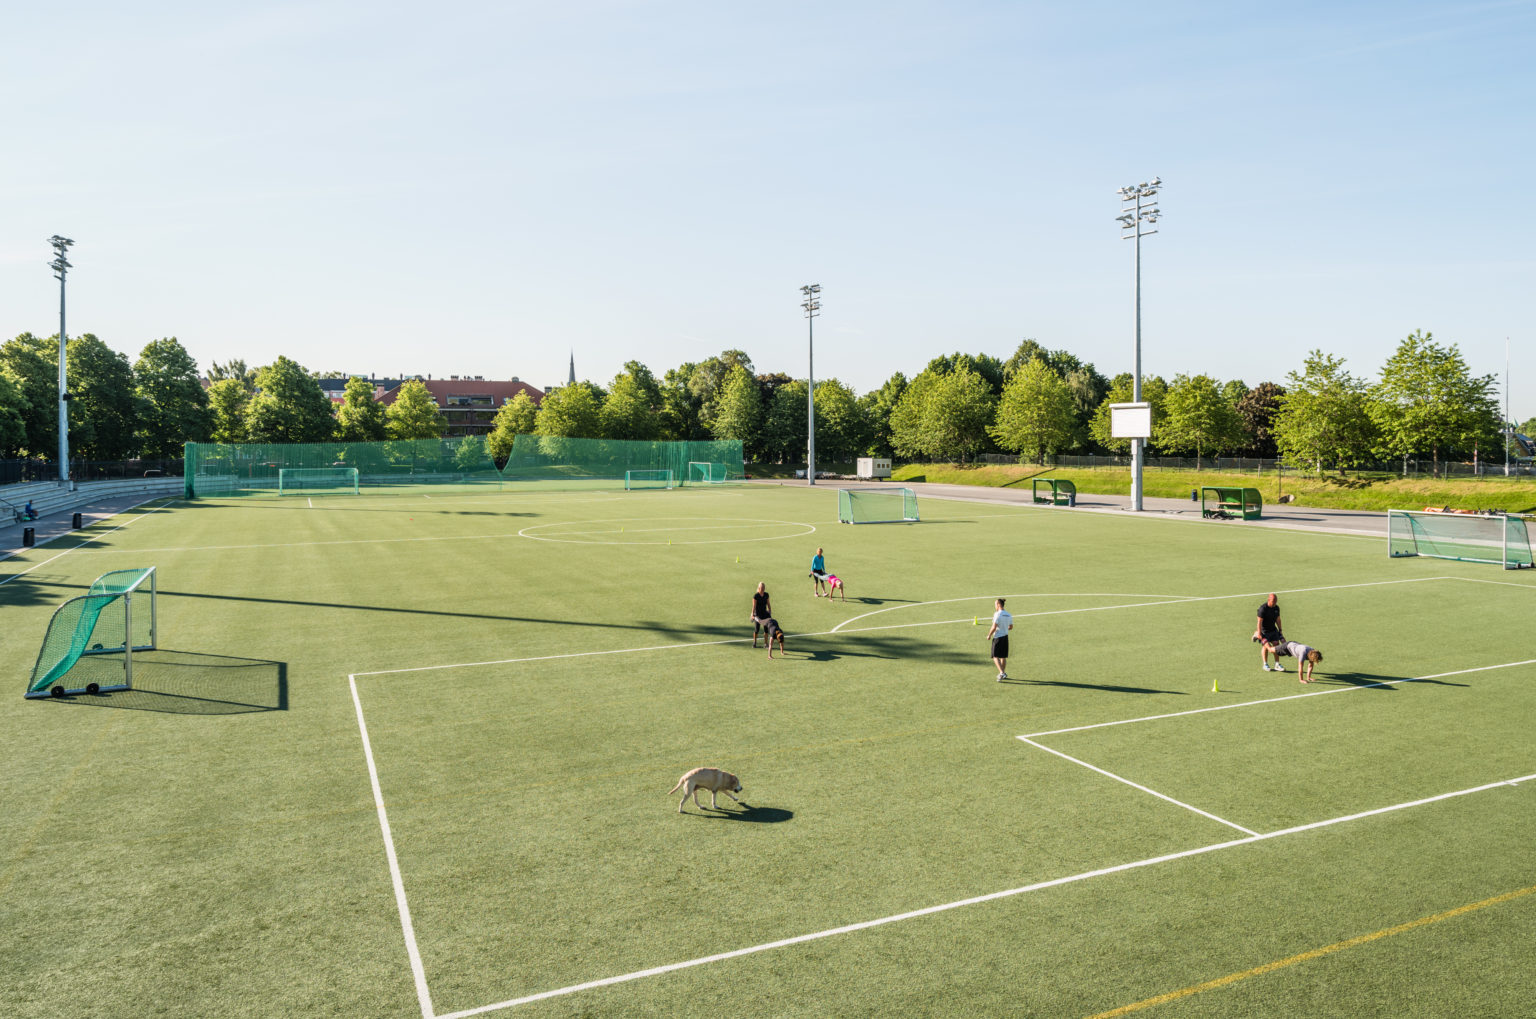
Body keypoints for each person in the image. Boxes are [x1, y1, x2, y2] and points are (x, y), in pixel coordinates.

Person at [1253, 593, 1284, 671]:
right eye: (1273, 601)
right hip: (1264, 631)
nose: (1275, 603)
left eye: (1276, 601)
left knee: (1276, 645)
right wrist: (1260, 633)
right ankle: (1265, 664)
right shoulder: (1262, 609)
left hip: (1273, 630)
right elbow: (1259, 622)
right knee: (1266, 647)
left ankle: (1277, 664)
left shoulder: (1276, 608)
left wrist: (1280, 630)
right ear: (1269, 600)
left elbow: (1278, 619)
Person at [986, 597, 1013, 681]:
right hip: (1005, 637)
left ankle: (1002, 672)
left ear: (998, 604)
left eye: (995, 604)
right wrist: (1004, 627)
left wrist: (989, 635)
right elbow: (1011, 627)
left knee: (995, 656)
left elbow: (994, 627)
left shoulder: (997, 614)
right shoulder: (1009, 614)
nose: (995, 606)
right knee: (1003, 657)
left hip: (998, 637)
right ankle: (1002, 674)